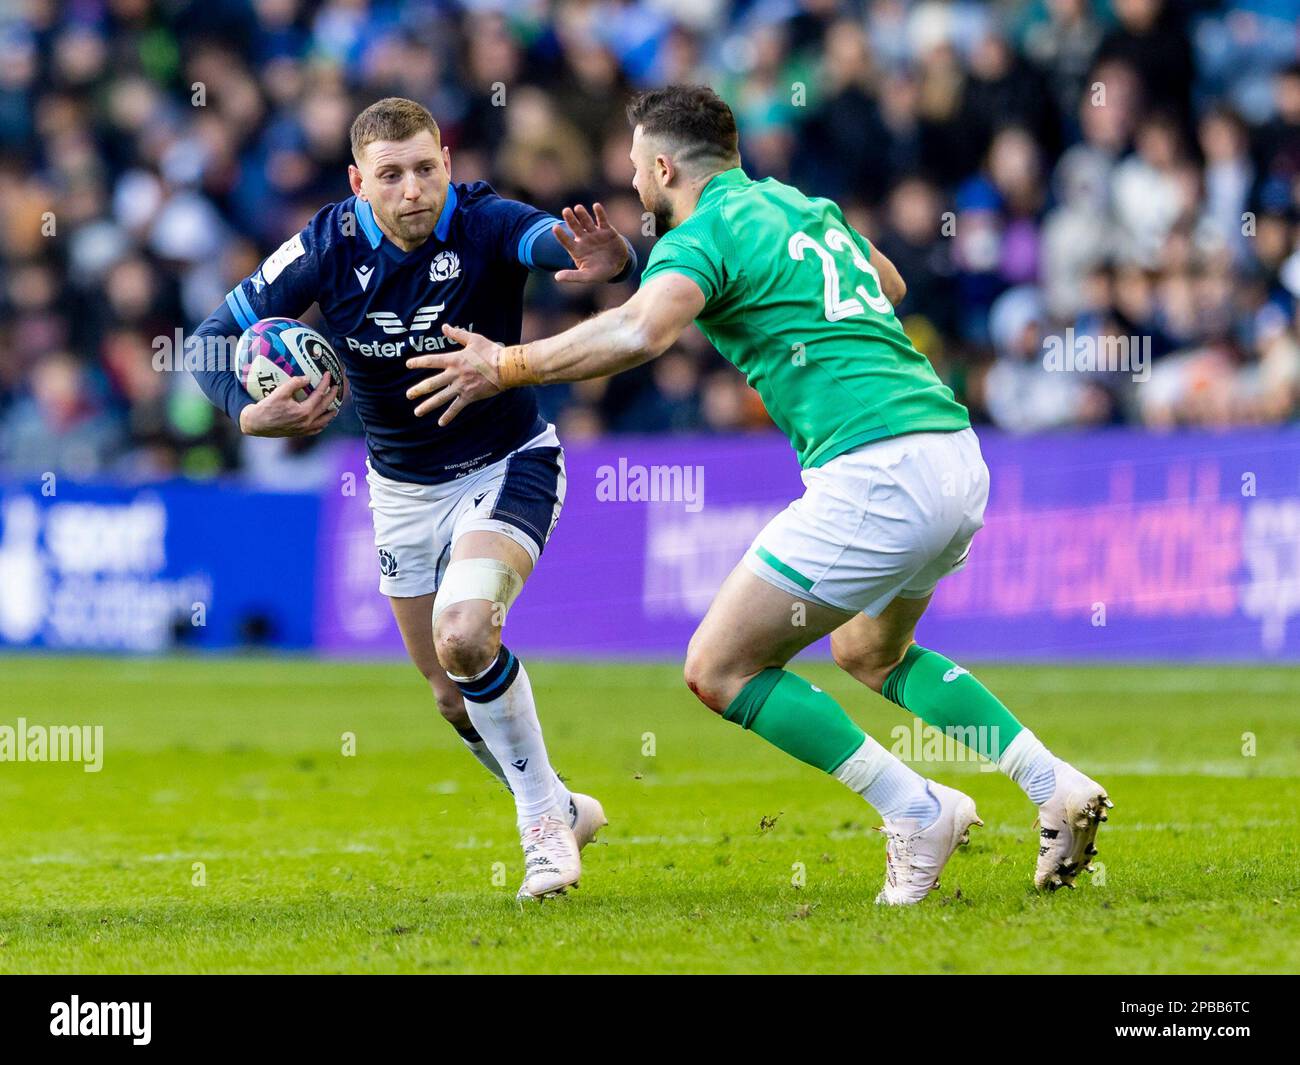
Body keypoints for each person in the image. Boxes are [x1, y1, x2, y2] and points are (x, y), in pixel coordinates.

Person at [409, 85, 1112, 903]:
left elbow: (639, 331)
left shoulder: (702, 234)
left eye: (635, 165)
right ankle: (1052, 783)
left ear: (663, 167)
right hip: (953, 453)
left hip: (876, 470)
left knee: (719, 667)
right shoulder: (798, 205)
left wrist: (507, 363)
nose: (631, 180)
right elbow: (886, 284)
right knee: (871, 652)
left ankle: (915, 807)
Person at [189, 97, 640, 900]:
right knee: (449, 694)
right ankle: (564, 806)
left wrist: (609, 256)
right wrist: (247, 412)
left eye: (427, 169)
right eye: (391, 175)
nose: (413, 190)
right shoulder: (325, 246)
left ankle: (541, 825)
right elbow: (209, 341)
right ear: (358, 182)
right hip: (400, 491)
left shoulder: (483, 220)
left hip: (507, 464)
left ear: (447, 165)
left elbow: (549, 241)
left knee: (465, 633)